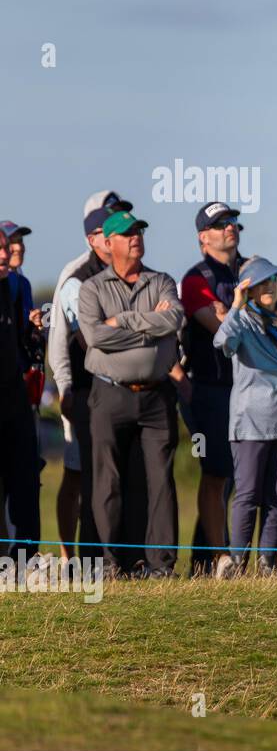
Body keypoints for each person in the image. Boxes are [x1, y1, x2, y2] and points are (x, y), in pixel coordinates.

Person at [79, 211, 185, 578]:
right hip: (110, 394)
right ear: (108, 243)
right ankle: (110, 564)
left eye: (138, 230)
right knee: (107, 481)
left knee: (161, 480)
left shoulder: (161, 281)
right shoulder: (92, 288)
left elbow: (173, 320)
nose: (135, 237)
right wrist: (148, 329)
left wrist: (122, 321)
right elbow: (94, 337)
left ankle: (161, 566)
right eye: (126, 233)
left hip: (156, 396)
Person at [214, 256, 277, 575]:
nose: (269, 286)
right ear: (248, 289)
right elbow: (222, 343)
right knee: (247, 495)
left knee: (276, 496)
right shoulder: (241, 321)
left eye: (273, 280)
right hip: (251, 423)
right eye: (260, 282)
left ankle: (269, 564)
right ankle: (238, 564)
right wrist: (235, 306)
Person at [48, 191, 136, 561]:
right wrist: (65, 386)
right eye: (107, 225)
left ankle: (117, 554)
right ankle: (73, 557)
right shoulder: (75, 275)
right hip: (84, 389)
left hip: (122, 390)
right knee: (78, 473)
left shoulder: (130, 267)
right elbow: (59, 337)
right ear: (92, 235)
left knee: (114, 475)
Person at [180, 202, 245, 578]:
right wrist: (235, 311)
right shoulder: (195, 279)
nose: (230, 228)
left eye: (233, 221)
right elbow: (221, 330)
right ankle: (216, 557)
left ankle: (210, 561)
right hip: (207, 392)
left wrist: (230, 311)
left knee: (243, 479)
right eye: (220, 224)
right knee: (214, 472)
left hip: (249, 389)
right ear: (204, 237)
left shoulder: (250, 269)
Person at [0, 226, 41, 562]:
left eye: (8, 246)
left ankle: (24, 559)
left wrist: (33, 331)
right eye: (1, 247)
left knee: (25, 475)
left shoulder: (15, 285)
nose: (8, 253)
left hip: (15, 395)